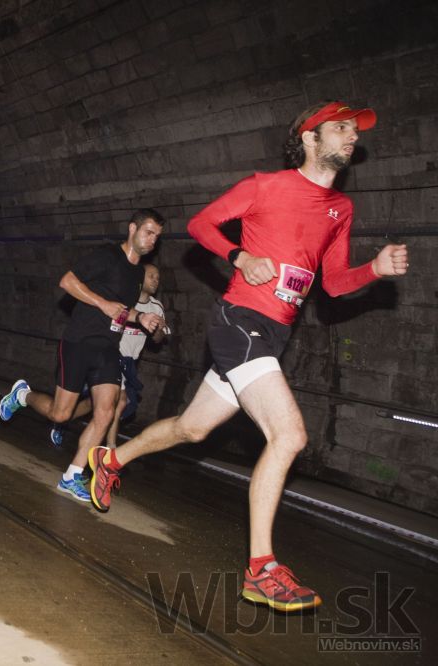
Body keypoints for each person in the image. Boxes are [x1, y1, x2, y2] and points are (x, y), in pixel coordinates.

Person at [88, 101, 408, 612]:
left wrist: (374, 269)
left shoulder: (340, 210)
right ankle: (262, 569)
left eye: (354, 130)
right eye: (341, 128)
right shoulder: (265, 187)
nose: (351, 137)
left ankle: (110, 458)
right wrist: (240, 256)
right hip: (240, 320)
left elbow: (332, 283)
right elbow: (201, 225)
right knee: (291, 435)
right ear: (309, 138)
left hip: (275, 334)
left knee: (192, 429)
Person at [0, 210, 166, 502]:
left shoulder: (138, 273)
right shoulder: (106, 256)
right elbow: (67, 281)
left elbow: (123, 309)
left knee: (106, 411)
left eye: (157, 236)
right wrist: (102, 304)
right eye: (148, 232)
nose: (152, 240)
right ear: (132, 229)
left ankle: (72, 475)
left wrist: (141, 317)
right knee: (60, 414)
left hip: (108, 348)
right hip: (79, 342)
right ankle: (22, 395)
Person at [49, 264, 170, 449]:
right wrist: (134, 319)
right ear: (140, 278)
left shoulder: (156, 307)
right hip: (113, 354)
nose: (156, 280)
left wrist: (158, 329)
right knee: (118, 402)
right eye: (152, 275)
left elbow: (158, 339)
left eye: (158, 277)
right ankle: (109, 450)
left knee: (96, 405)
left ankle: (62, 422)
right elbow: (112, 325)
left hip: (130, 361)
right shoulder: (127, 300)